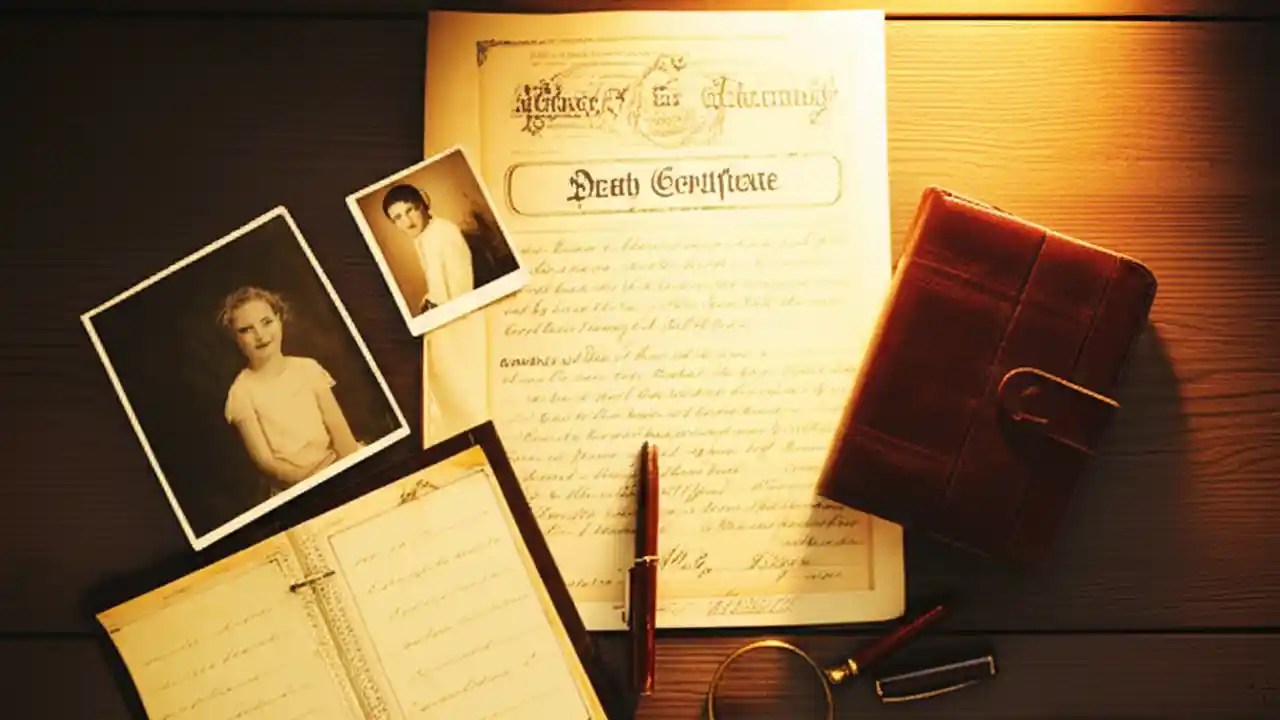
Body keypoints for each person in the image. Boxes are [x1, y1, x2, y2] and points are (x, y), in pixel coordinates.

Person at [217, 286, 360, 493]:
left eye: (266, 322)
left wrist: (347, 467)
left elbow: (340, 433)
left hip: (336, 464)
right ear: (235, 338)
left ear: (279, 319)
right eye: (246, 330)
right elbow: (266, 461)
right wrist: (313, 482)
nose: (260, 335)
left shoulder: (308, 369)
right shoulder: (242, 392)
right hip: (297, 485)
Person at [382, 184, 474, 313]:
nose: (408, 222)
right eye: (398, 217)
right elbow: (437, 285)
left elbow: (460, 290)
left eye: (410, 210)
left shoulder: (441, 233)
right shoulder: (425, 234)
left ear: (422, 206)